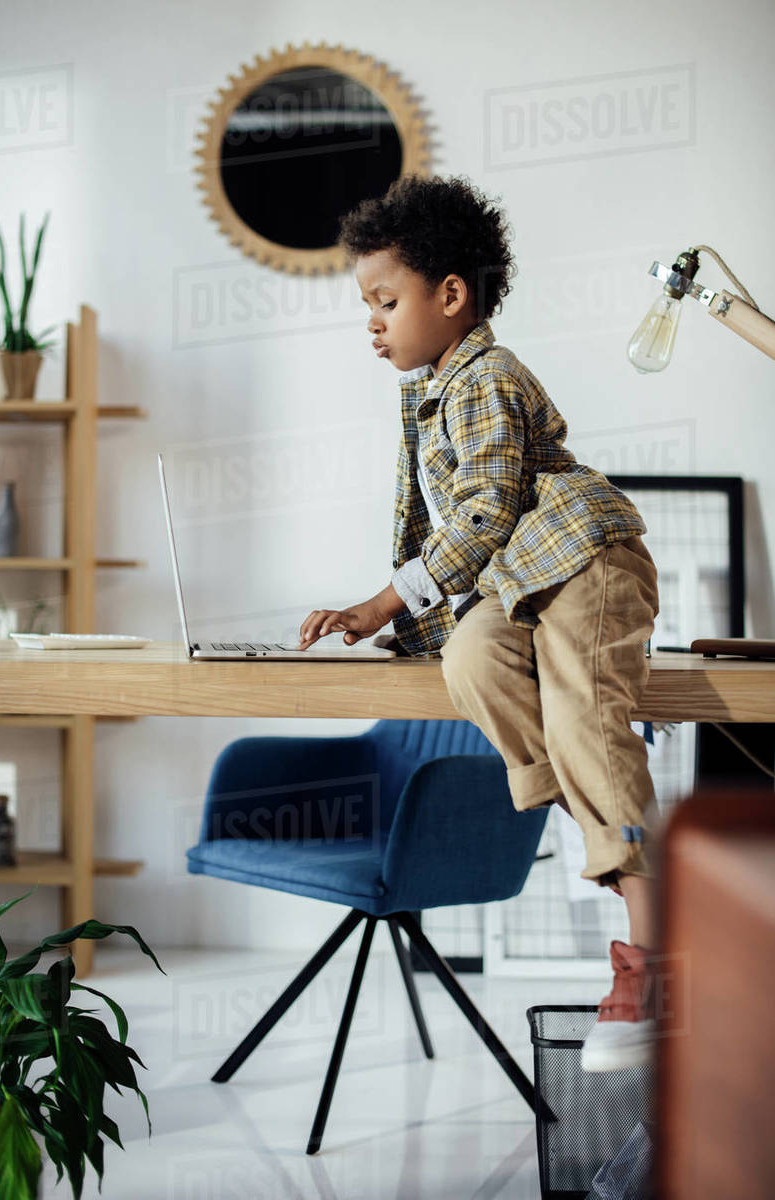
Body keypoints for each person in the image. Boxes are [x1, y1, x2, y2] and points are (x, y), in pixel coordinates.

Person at [298, 174, 661, 1072]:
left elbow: (485, 512)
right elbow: (440, 532)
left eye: (385, 301)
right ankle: (594, 825)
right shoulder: (431, 394)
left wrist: (384, 599)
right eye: (367, 306)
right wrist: (403, 620)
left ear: (449, 296)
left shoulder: (484, 378)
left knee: (583, 712)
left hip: (583, 559)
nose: (372, 323)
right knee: (469, 662)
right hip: (520, 582)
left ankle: (658, 957)